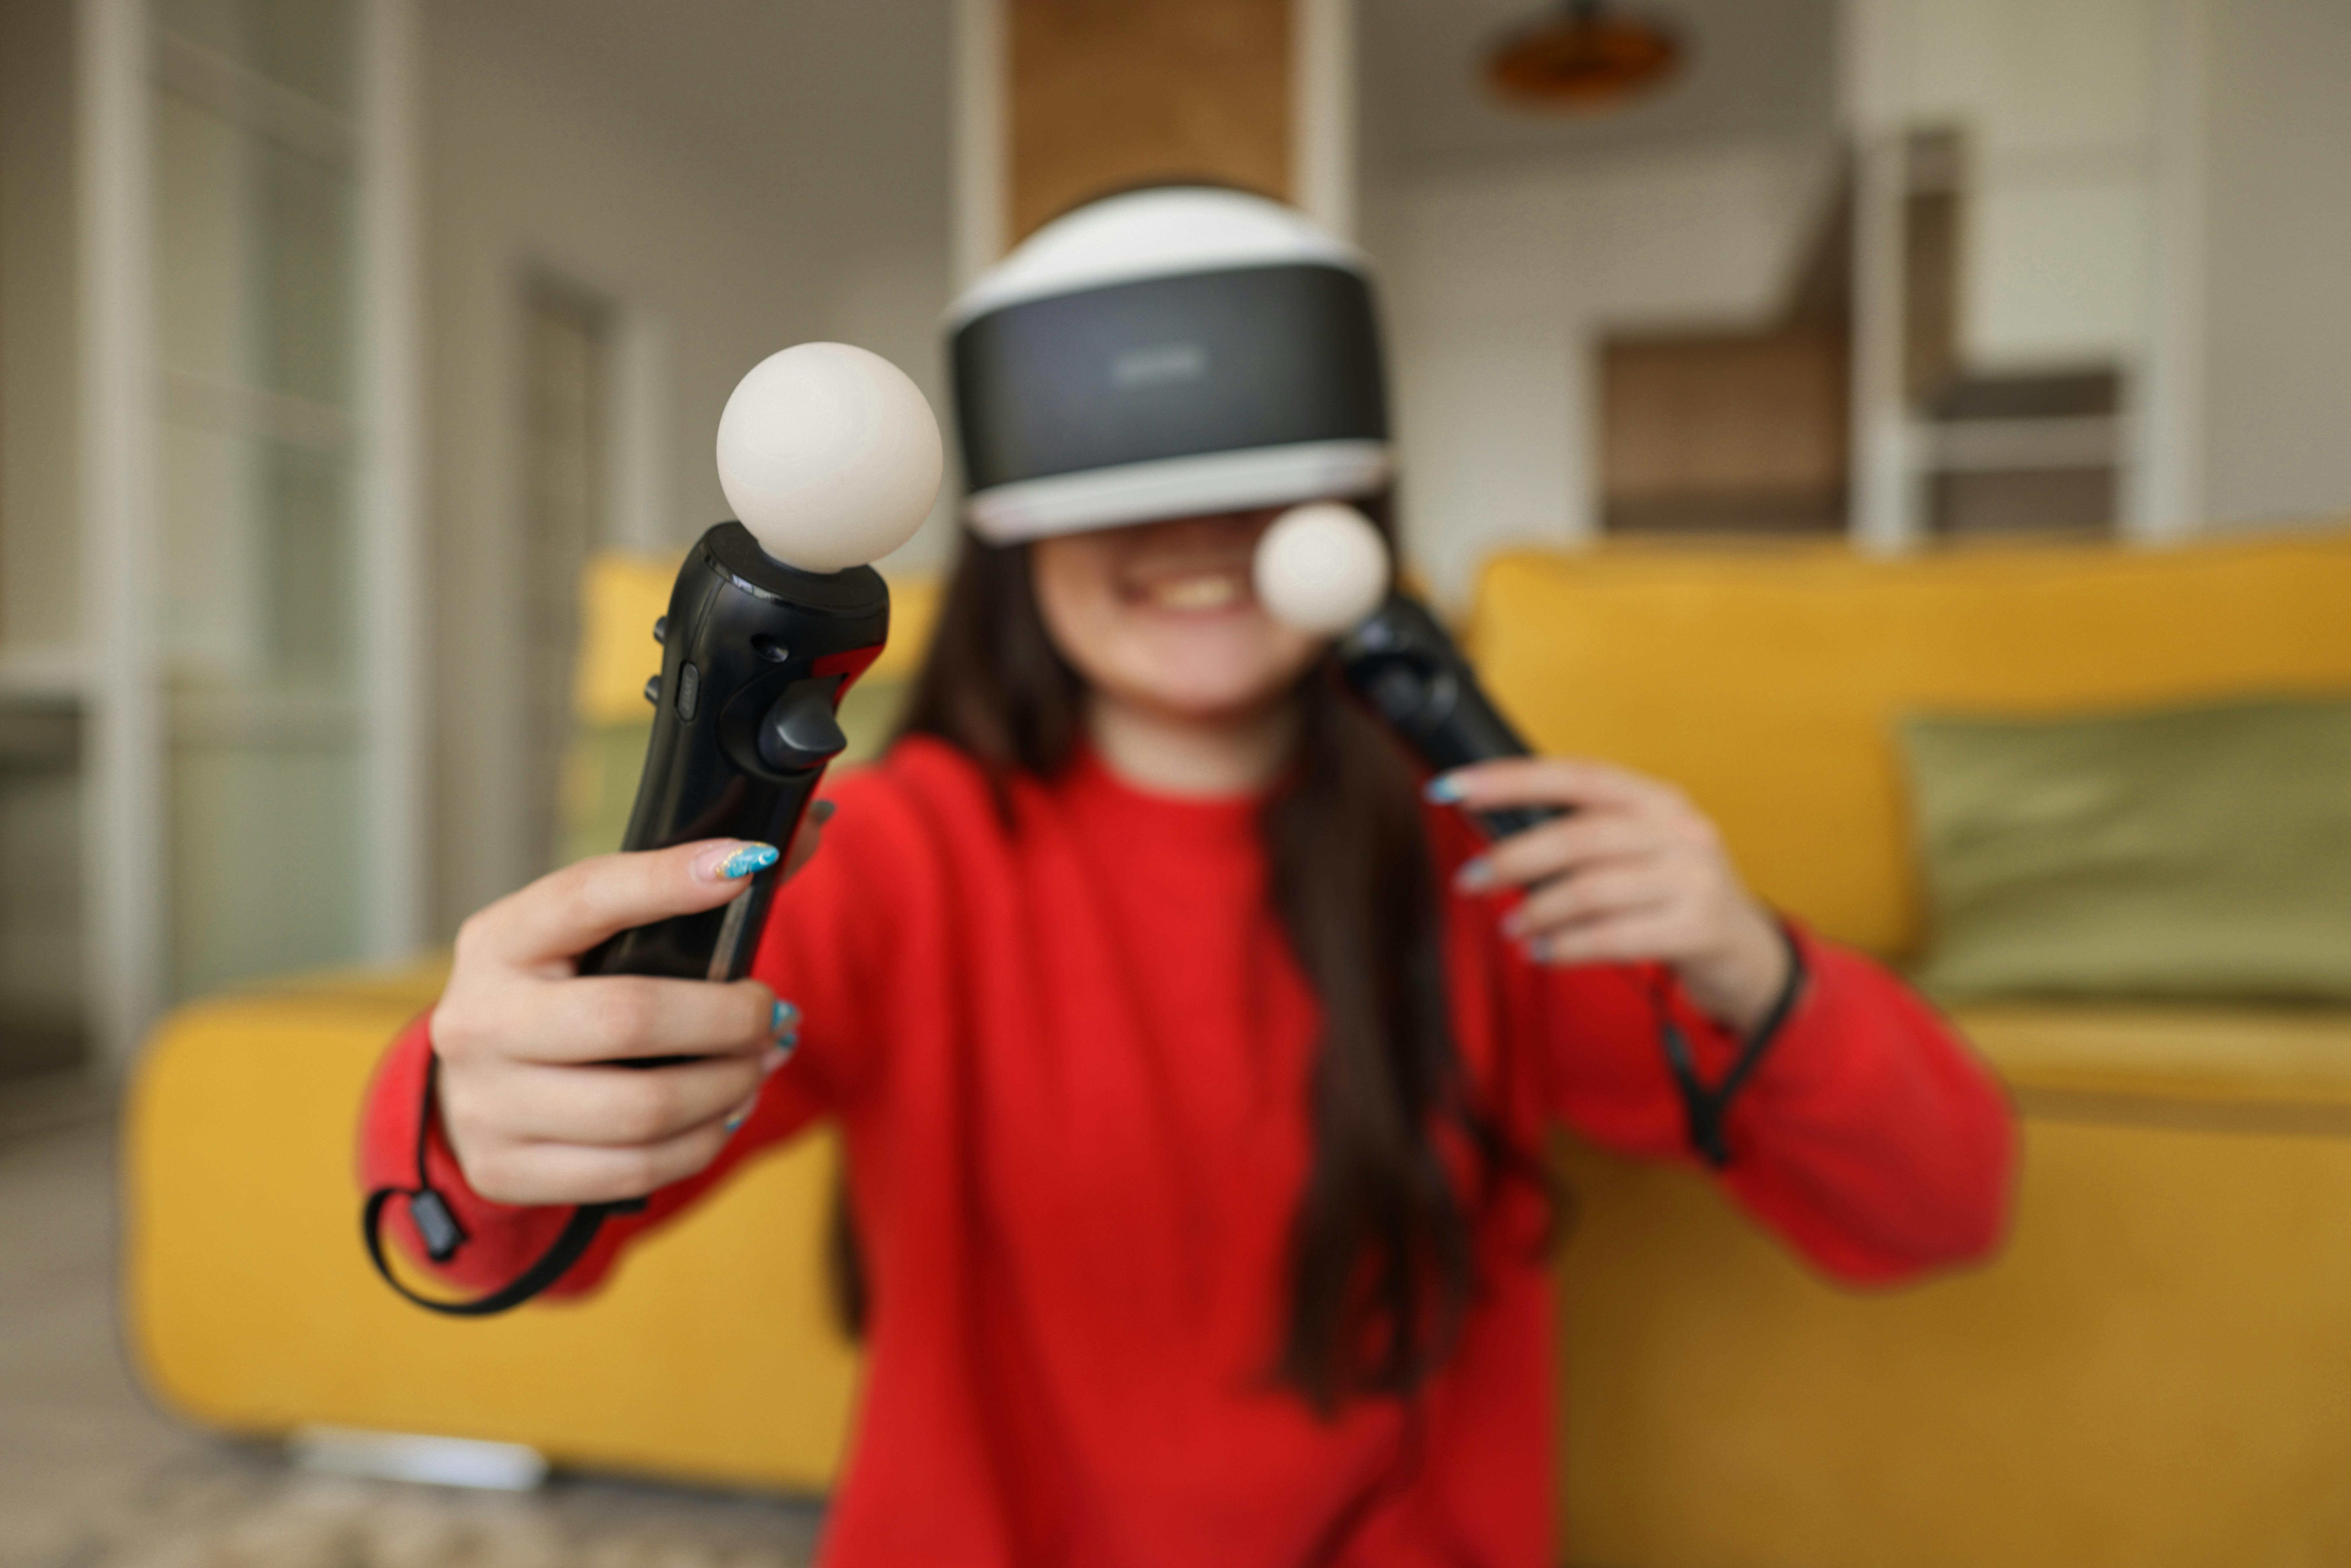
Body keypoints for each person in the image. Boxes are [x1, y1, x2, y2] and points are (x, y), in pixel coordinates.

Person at [362, 188, 2013, 1566]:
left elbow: (1944, 1206)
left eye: (1257, 478)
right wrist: (489, 1106)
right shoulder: (897, 862)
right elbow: (479, 1241)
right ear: (1014, 538)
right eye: (1130, 486)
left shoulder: (1506, 880)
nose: (1200, 531)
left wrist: (1748, 967)